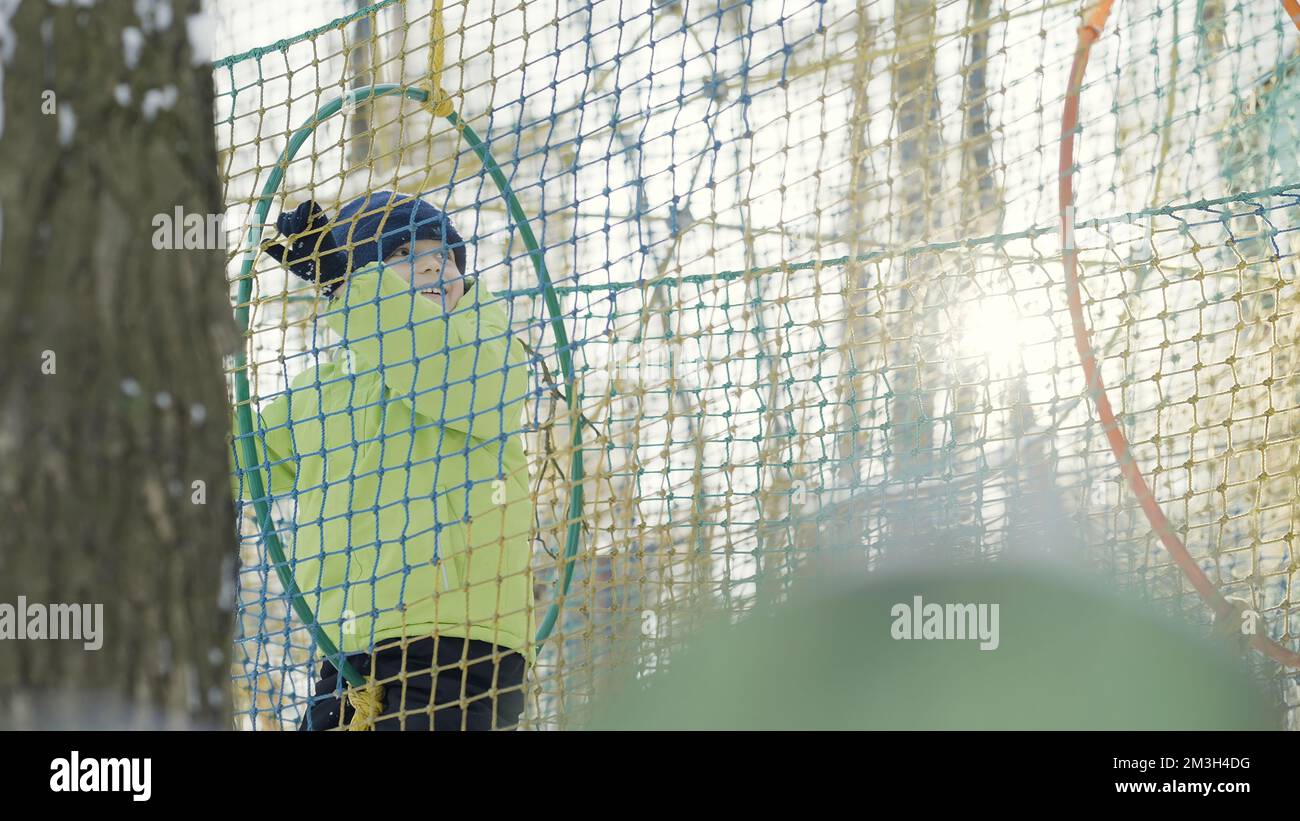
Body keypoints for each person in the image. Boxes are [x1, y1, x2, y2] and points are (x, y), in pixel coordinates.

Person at [238, 191, 535, 730]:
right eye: (402, 255)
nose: (430, 264)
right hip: (349, 654)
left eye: (443, 255)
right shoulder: (321, 391)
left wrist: (350, 285)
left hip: (458, 649)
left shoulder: (485, 347)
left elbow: (441, 372)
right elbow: (246, 463)